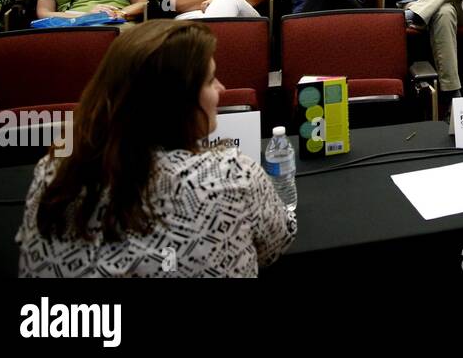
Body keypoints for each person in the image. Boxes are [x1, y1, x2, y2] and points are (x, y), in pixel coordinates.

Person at [17, 21, 296, 277]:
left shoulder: (51, 174)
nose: (221, 88)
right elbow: (275, 244)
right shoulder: (230, 175)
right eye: (210, 80)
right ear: (176, 100)